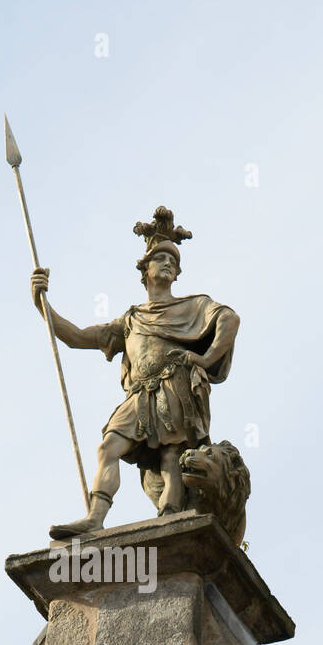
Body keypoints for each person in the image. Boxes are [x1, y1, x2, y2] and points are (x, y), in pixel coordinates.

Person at [31, 208, 240, 538]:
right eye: (161, 259)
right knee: (109, 446)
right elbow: (75, 336)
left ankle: (170, 520)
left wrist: (206, 358)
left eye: (174, 262)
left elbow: (229, 319)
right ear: (145, 270)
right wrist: (42, 304)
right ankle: (95, 517)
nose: (169, 265)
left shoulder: (193, 306)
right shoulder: (129, 321)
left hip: (176, 386)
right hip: (140, 395)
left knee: (172, 458)